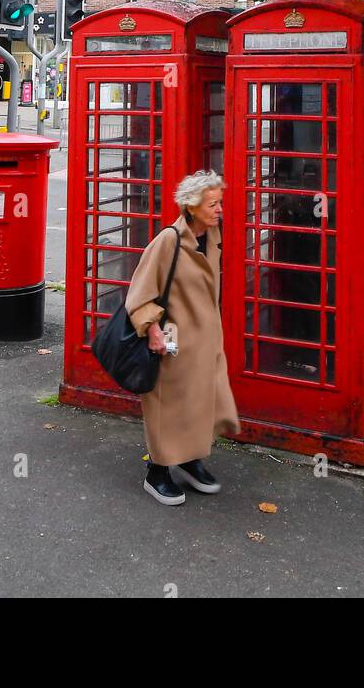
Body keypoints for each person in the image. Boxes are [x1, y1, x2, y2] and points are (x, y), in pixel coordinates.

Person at [124, 169, 240, 506]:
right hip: (171, 339)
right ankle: (157, 472)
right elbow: (140, 294)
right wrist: (153, 329)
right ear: (191, 206)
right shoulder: (169, 241)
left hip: (204, 342)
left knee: (199, 403)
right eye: (213, 204)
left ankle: (190, 461)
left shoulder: (213, 236)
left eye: (220, 203)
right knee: (168, 408)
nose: (219, 210)